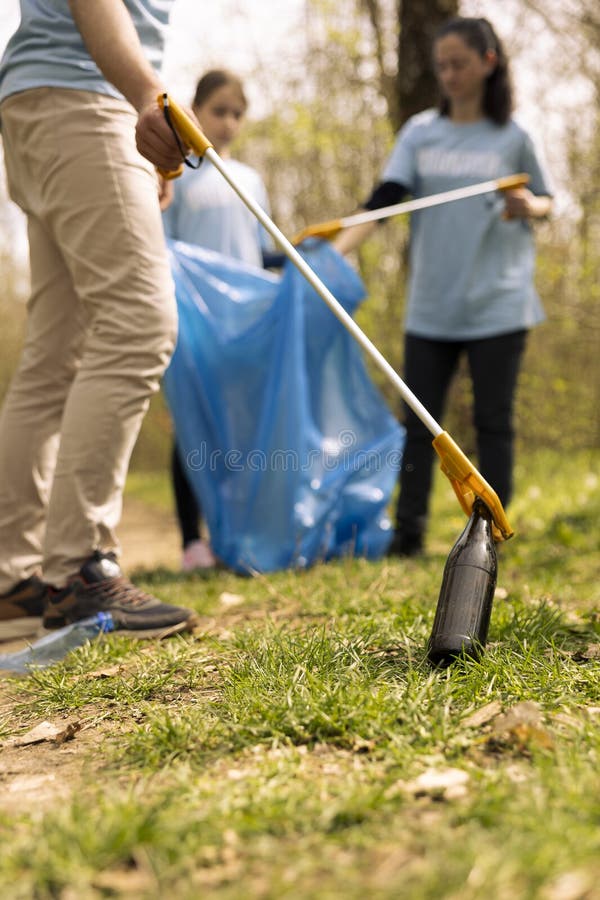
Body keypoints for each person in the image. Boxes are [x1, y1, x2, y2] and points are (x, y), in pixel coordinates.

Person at [0, 0, 198, 642]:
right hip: (84, 97)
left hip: (45, 98)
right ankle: (77, 569)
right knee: (139, 323)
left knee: (54, 355)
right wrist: (148, 96)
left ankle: (14, 580)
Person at [334, 16, 552, 557]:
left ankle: (489, 529)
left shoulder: (515, 135)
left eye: (458, 64)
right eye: (442, 66)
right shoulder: (420, 133)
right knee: (418, 424)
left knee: (491, 422)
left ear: (488, 62)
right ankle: (408, 535)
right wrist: (331, 251)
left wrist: (530, 207)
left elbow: (549, 200)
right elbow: (386, 199)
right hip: (431, 306)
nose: (449, 75)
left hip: (499, 302)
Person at [163, 69, 281, 572]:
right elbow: (165, 249)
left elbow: (261, 252)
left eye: (237, 114)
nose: (228, 123)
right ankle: (193, 541)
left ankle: (237, 532)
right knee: (195, 424)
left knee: (243, 428)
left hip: (245, 325)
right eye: (219, 111)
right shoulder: (179, 175)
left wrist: (302, 257)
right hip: (195, 325)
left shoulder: (250, 179)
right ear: (196, 111)